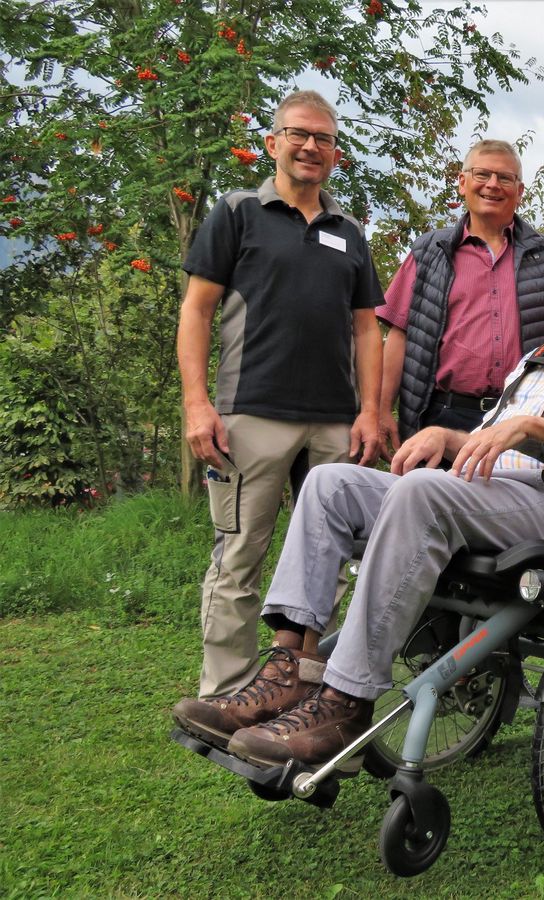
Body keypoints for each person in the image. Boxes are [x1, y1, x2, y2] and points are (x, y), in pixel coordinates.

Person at [172, 218, 544, 768]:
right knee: (329, 482)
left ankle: (346, 700)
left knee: (421, 491)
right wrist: (448, 433)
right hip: (488, 494)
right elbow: (496, 435)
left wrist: (534, 427)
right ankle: (293, 666)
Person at [177, 90, 383, 699]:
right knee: (239, 556)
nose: (310, 146)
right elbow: (196, 311)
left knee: (335, 561)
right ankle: (226, 693)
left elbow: (368, 327)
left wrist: (372, 410)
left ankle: (306, 681)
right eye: (298, 134)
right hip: (250, 414)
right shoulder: (238, 212)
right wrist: (196, 403)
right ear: (273, 143)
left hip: (335, 423)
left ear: (335, 153)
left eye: (322, 138)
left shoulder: (349, 232)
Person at [376, 139, 544, 451]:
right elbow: (399, 335)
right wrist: (381, 410)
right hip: (441, 413)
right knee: (425, 498)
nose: (492, 185)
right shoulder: (429, 251)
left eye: (505, 178)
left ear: (519, 191)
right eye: (482, 174)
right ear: (462, 182)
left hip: (518, 417)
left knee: (509, 500)